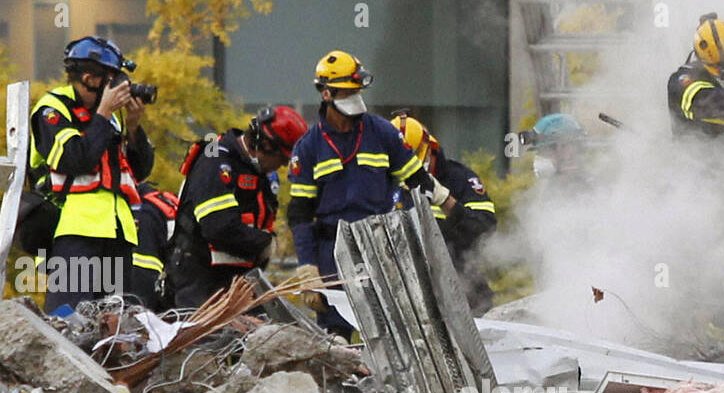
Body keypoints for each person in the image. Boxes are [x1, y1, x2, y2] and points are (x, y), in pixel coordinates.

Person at [286, 50, 450, 338]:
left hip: (379, 246)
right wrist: (307, 269)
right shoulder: (308, 147)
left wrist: (455, 208)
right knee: (335, 333)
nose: (355, 99)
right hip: (331, 251)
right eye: (347, 92)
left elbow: (418, 179)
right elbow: (300, 214)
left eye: (357, 91)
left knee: (391, 331)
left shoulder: (381, 133)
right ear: (326, 94)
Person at [29, 35, 153, 313]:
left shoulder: (108, 117)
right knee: (69, 317)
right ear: (90, 78)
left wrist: (133, 128)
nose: (118, 89)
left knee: (114, 326)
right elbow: (75, 159)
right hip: (73, 230)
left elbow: (140, 171)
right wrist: (105, 111)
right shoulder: (53, 108)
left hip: (118, 232)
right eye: (112, 80)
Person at [167, 105, 307, 308]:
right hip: (200, 282)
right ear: (266, 145)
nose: (283, 165)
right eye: (282, 158)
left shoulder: (258, 172)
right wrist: (266, 243)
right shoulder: (214, 158)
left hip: (238, 282)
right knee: (210, 339)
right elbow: (218, 226)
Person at [391, 112, 497, 314]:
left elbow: (485, 228)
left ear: (428, 149)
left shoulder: (459, 178)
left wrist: (446, 202)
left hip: (466, 293)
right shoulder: (387, 183)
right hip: (409, 297)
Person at [128, 182, 178, 310]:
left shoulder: (143, 211)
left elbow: (142, 274)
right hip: (172, 295)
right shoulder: (159, 204)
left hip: (142, 301)